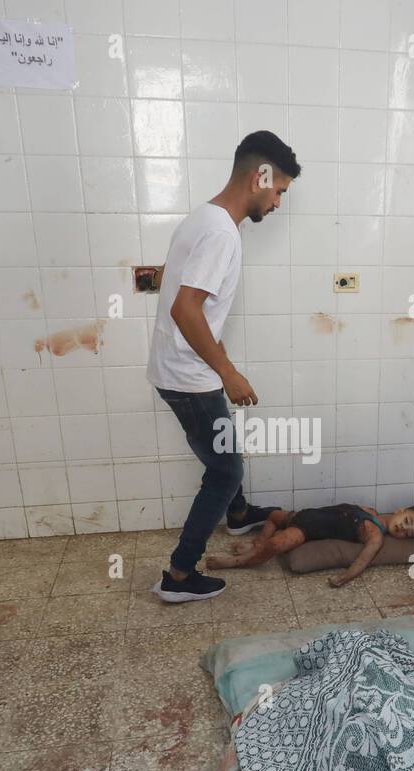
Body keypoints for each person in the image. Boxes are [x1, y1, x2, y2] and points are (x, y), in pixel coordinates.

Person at [148, 131, 302, 603]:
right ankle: (177, 576)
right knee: (225, 469)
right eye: (278, 191)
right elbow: (186, 310)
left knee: (222, 453)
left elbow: (187, 306)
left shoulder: (206, 218)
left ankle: (236, 516)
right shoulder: (220, 232)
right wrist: (229, 373)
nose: (277, 203)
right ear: (260, 176)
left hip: (182, 369)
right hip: (188, 377)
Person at [205, 504, 414, 588]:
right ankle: (255, 544)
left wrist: (344, 577)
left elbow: (363, 560)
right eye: (406, 522)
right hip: (304, 514)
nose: (403, 529)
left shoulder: (376, 536)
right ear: (400, 511)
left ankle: (235, 562)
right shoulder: (370, 510)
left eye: (408, 533)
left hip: (308, 530)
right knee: (273, 515)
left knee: (275, 545)